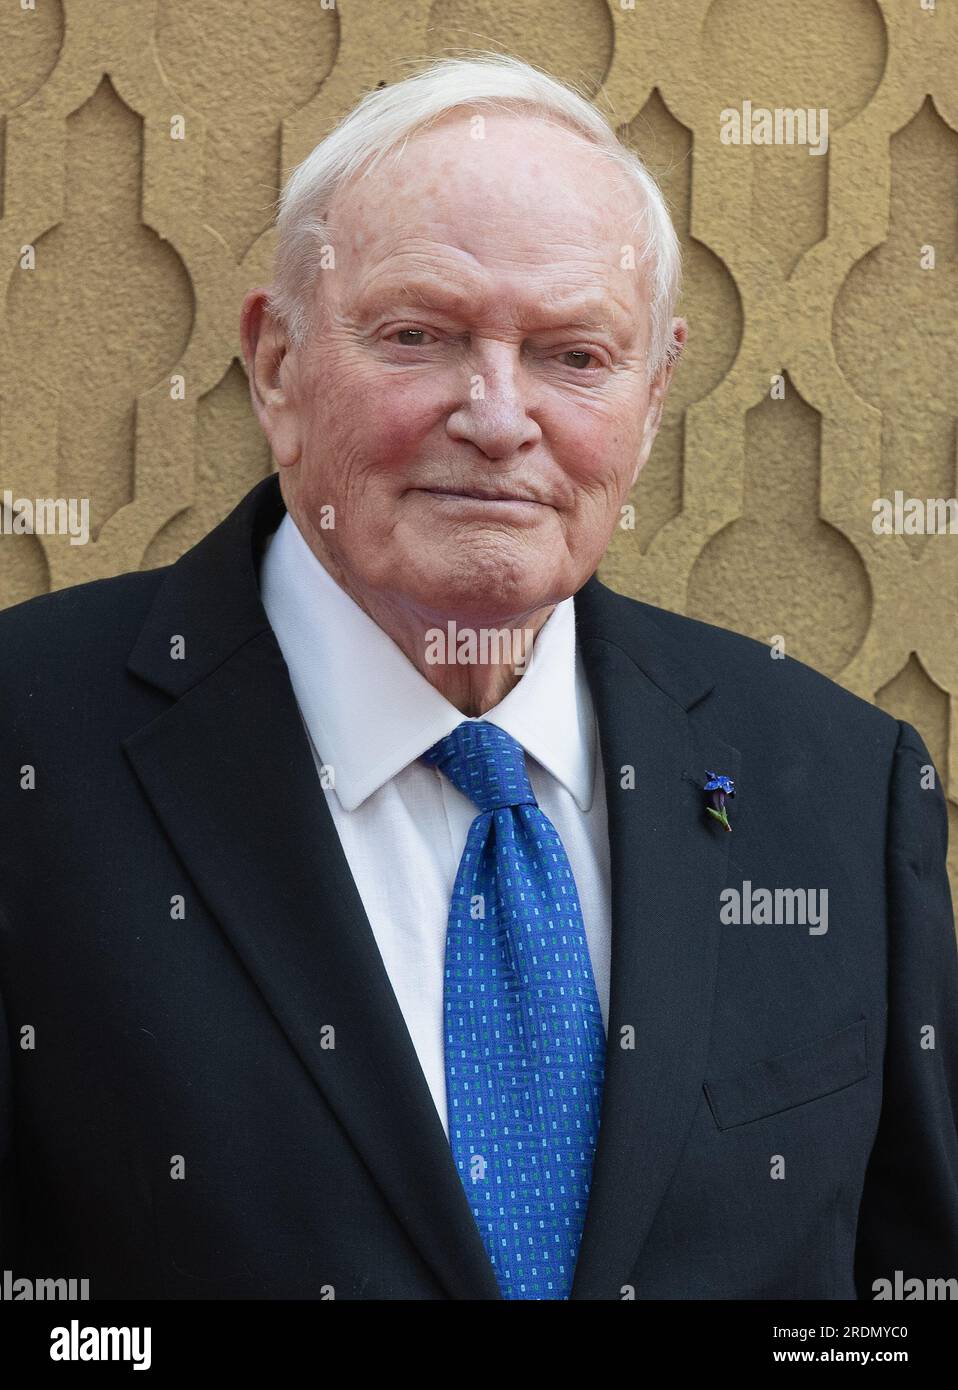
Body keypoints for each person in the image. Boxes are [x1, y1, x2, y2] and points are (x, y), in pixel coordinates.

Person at [0, 54, 956, 1301]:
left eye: (573, 356)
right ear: (277, 365)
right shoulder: (30, 748)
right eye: (420, 336)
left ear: (653, 397)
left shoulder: (838, 784)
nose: (498, 417)